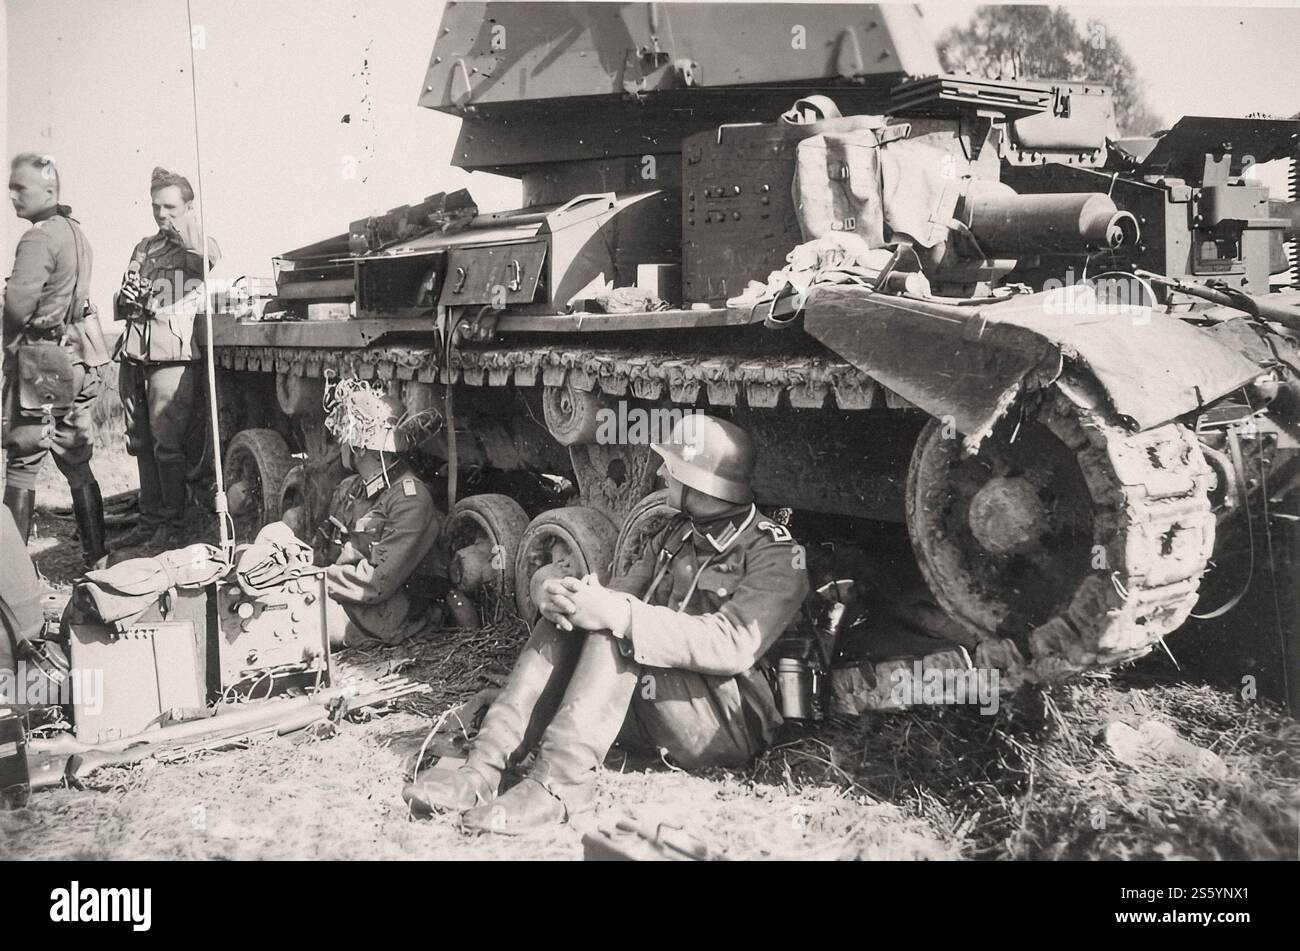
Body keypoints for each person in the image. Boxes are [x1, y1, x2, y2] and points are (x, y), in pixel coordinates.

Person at [403, 414, 810, 834]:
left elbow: (733, 643)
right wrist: (564, 597)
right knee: (574, 618)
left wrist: (619, 614)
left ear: (700, 483)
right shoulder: (675, 534)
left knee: (616, 627)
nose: (659, 473)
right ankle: (482, 770)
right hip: (655, 705)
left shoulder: (775, 554)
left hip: (722, 724)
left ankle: (560, 787)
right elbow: (617, 594)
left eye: (671, 468)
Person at [2, 153, 112, 568]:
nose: (12, 195)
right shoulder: (76, 234)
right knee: (75, 457)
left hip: (40, 362)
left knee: (23, 462)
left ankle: (11, 574)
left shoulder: (38, 237)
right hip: (71, 356)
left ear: (48, 191)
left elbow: (16, 309)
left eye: (20, 188)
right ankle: (98, 559)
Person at [112, 167, 220, 551]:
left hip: (171, 358)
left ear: (189, 207)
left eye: (171, 207)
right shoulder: (144, 247)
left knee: (167, 446)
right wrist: (128, 295)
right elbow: (122, 298)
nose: (162, 215)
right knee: (140, 442)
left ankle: (172, 528)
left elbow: (205, 261)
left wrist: (185, 224)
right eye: (157, 207)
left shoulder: (196, 246)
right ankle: (150, 521)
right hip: (137, 352)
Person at [316, 378, 444, 649]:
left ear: (362, 447)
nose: (341, 447)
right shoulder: (353, 488)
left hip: (385, 617)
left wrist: (315, 580)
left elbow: (375, 583)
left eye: (346, 440)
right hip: (348, 596)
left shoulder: (411, 500)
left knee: (291, 624)